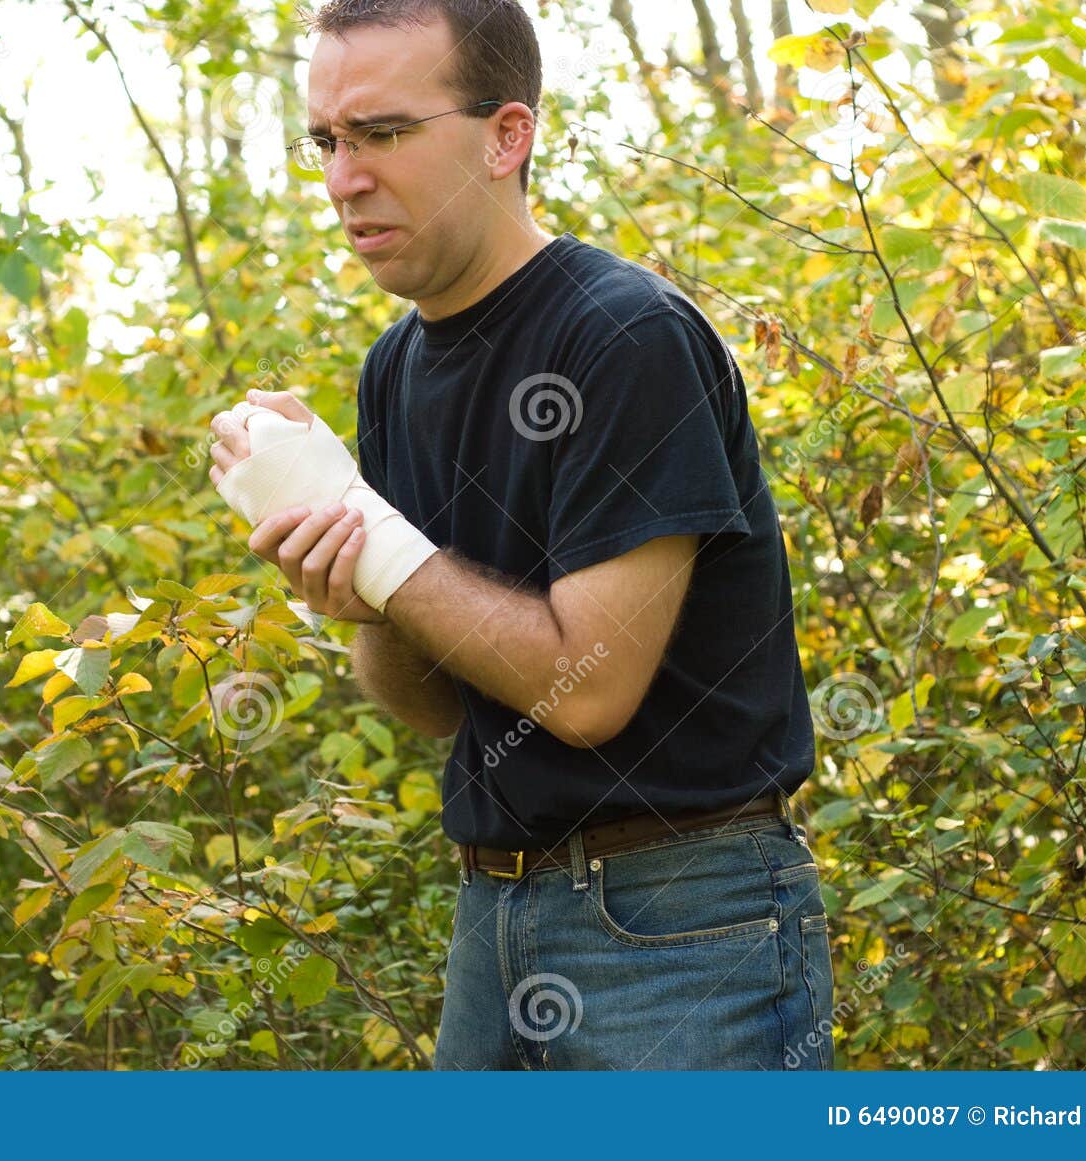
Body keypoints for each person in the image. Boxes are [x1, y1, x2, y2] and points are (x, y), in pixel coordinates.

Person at [207, 0, 833, 1070]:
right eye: (327, 139)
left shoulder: (622, 335)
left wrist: (373, 540)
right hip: (493, 910)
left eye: (384, 133)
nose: (343, 179)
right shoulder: (394, 369)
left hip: (681, 925)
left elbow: (584, 692)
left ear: (507, 135)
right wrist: (363, 587)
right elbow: (433, 705)